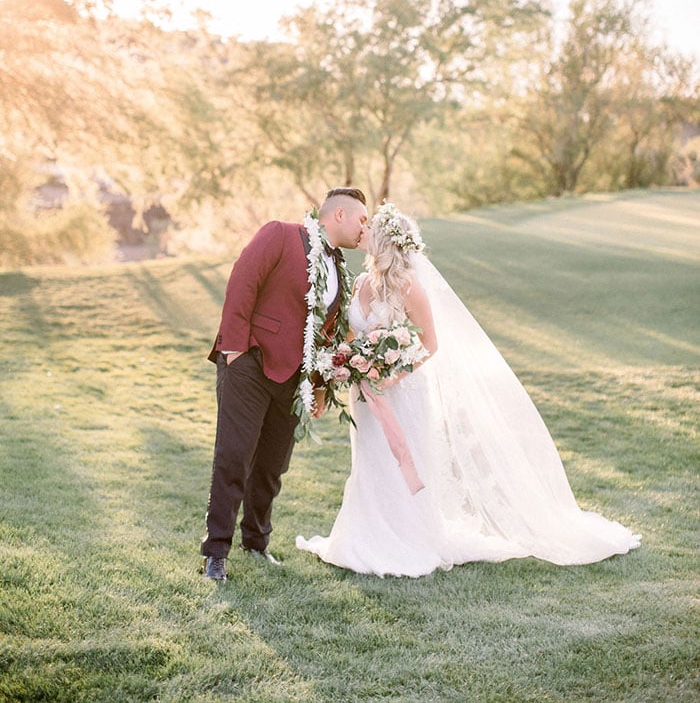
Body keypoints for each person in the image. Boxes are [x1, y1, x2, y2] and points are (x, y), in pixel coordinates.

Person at [296, 203, 641, 577]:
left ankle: (408, 538)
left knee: (401, 461)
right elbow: (351, 334)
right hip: (366, 395)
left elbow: (429, 344)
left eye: (370, 227)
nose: (362, 230)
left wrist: (391, 375)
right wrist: (349, 363)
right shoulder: (362, 282)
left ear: (384, 241)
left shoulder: (408, 286)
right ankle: (364, 537)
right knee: (370, 460)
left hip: (402, 392)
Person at [200, 186, 368, 581]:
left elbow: (324, 332)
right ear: (338, 215)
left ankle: (256, 542)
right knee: (234, 456)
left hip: (294, 380)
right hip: (250, 364)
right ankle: (216, 552)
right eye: (362, 219)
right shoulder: (280, 234)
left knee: (272, 466)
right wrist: (235, 350)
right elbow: (243, 282)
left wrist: (319, 385)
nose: (365, 227)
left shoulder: (340, 269)